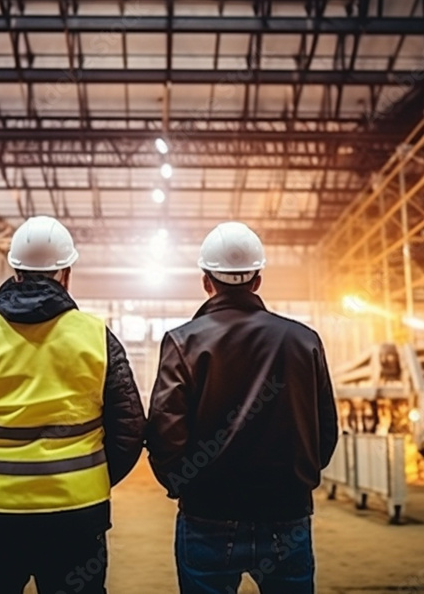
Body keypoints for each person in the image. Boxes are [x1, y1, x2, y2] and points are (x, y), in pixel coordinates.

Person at [0, 215, 146, 593]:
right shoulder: (97, 338)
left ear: (15, 271)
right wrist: (95, 480)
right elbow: (131, 431)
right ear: (66, 273)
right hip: (76, 515)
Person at [146, 221, 339, 594]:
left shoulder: (183, 342)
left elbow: (165, 433)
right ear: (258, 280)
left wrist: (185, 487)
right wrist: (296, 482)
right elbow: (325, 430)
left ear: (206, 281)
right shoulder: (304, 341)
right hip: (287, 511)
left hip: (207, 514)